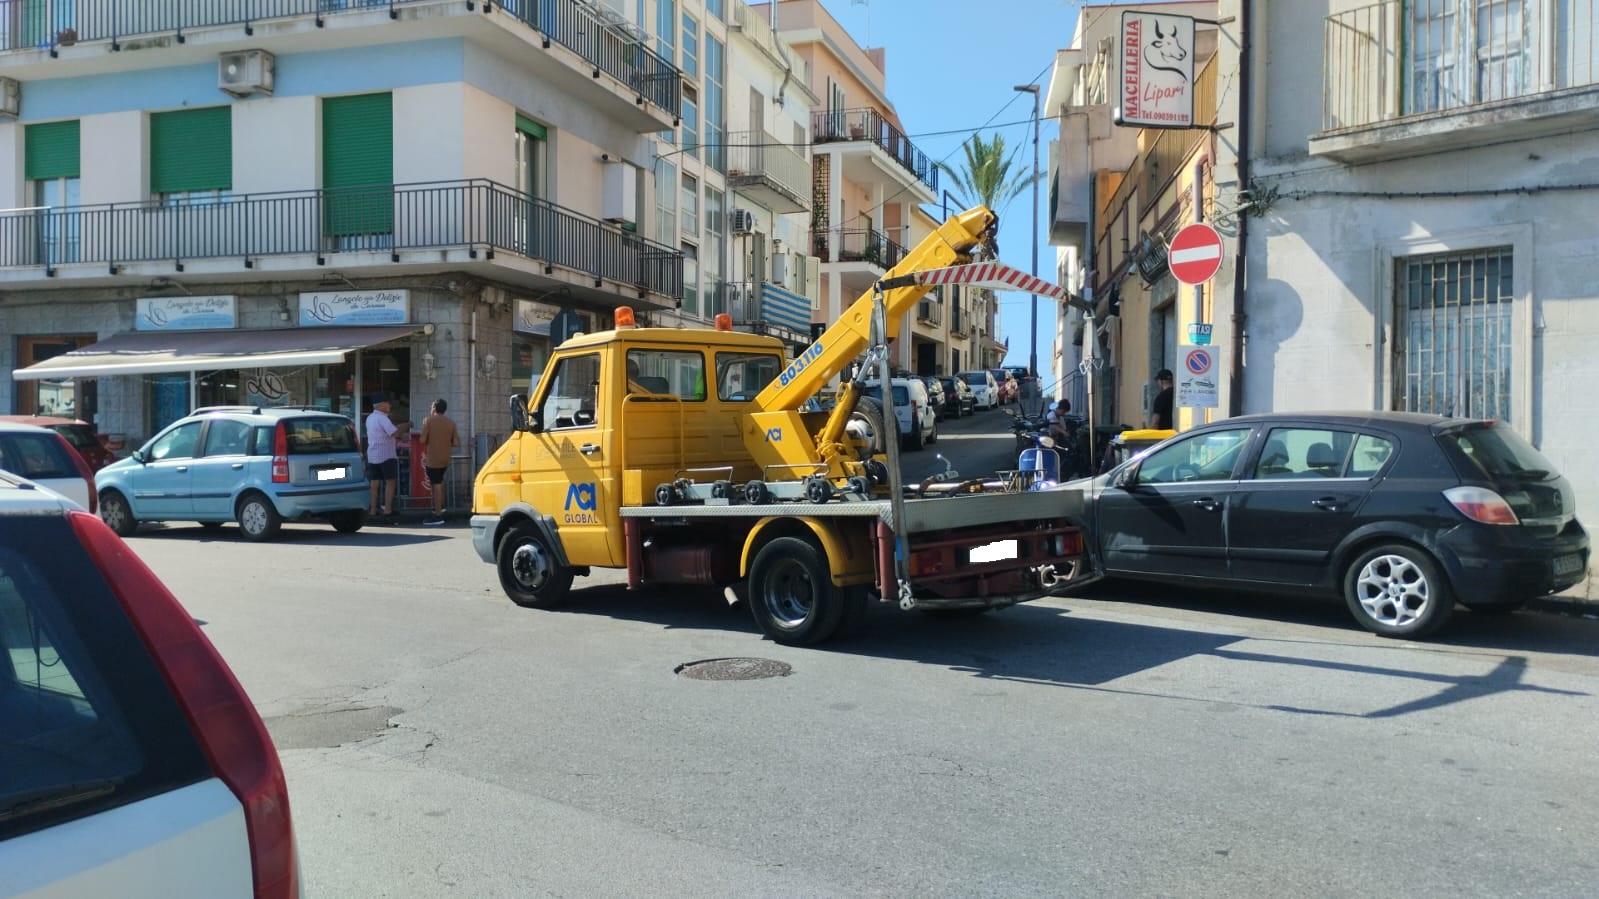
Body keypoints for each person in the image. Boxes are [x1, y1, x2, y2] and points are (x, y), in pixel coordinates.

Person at [365, 394, 411, 519]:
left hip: (373, 455)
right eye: (388, 403)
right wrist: (406, 425)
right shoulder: (383, 418)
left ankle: (373, 509)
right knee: (390, 482)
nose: (390, 405)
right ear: (381, 405)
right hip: (386, 455)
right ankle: (388, 510)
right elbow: (395, 433)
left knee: (374, 483)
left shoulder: (370, 418)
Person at [418, 398, 459, 526]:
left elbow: (422, 440)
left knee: (435, 484)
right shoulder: (451, 423)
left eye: (431, 406)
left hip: (433, 458)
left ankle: (437, 515)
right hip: (445, 458)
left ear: (434, 408)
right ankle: (440, 506)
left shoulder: (428, 421)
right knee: (440, 481)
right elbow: (456, 442)